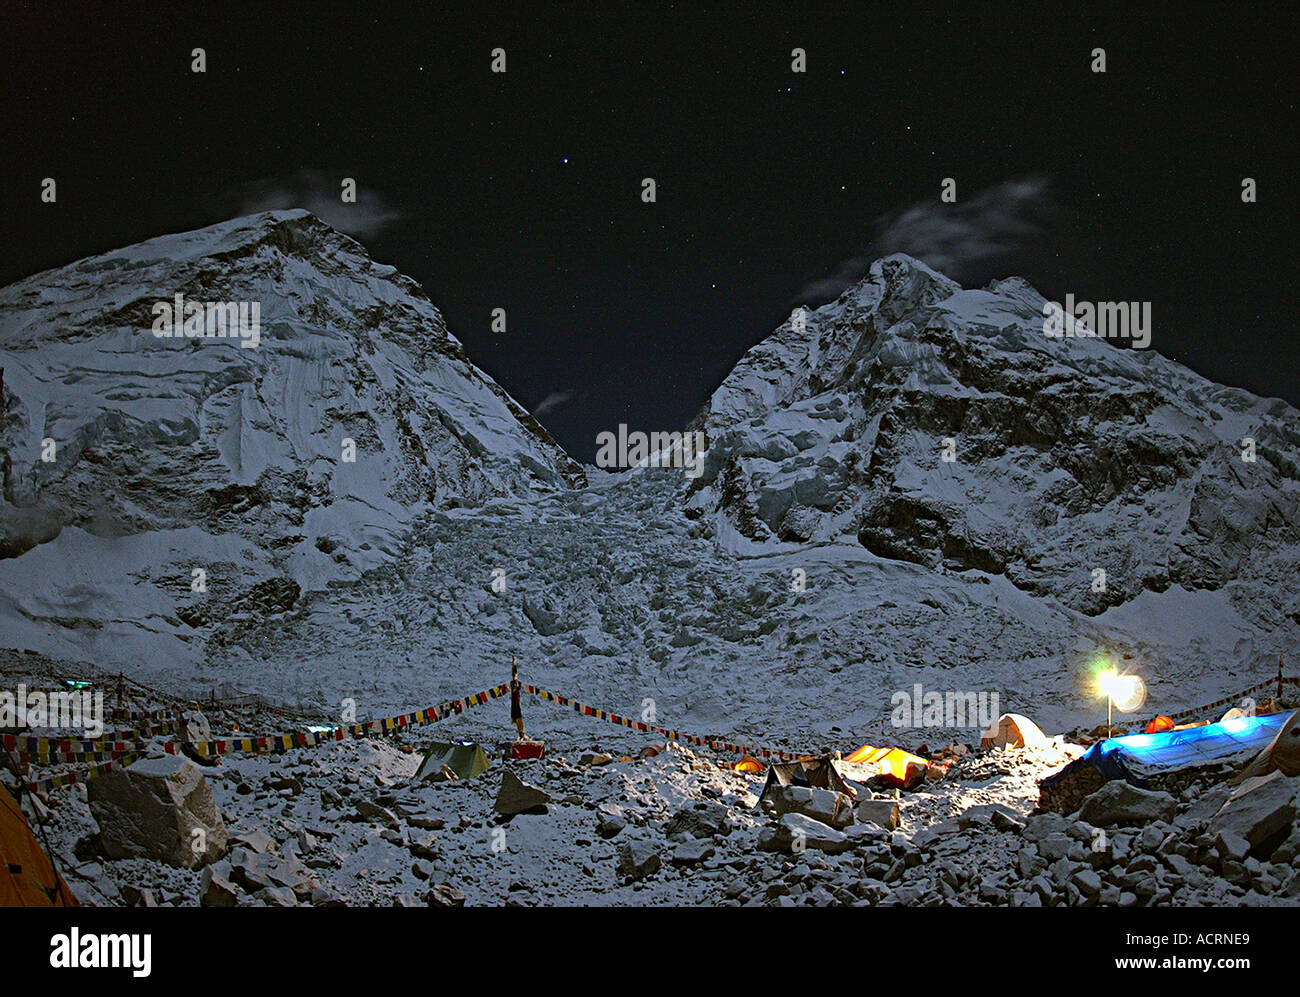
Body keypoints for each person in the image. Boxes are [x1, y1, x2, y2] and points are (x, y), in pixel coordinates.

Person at [511, 653, 525, 739]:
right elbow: (514, 674)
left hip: (516, 704)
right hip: (515, 704)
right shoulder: (514, 688)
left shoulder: (515, 688)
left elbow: (514, 674)